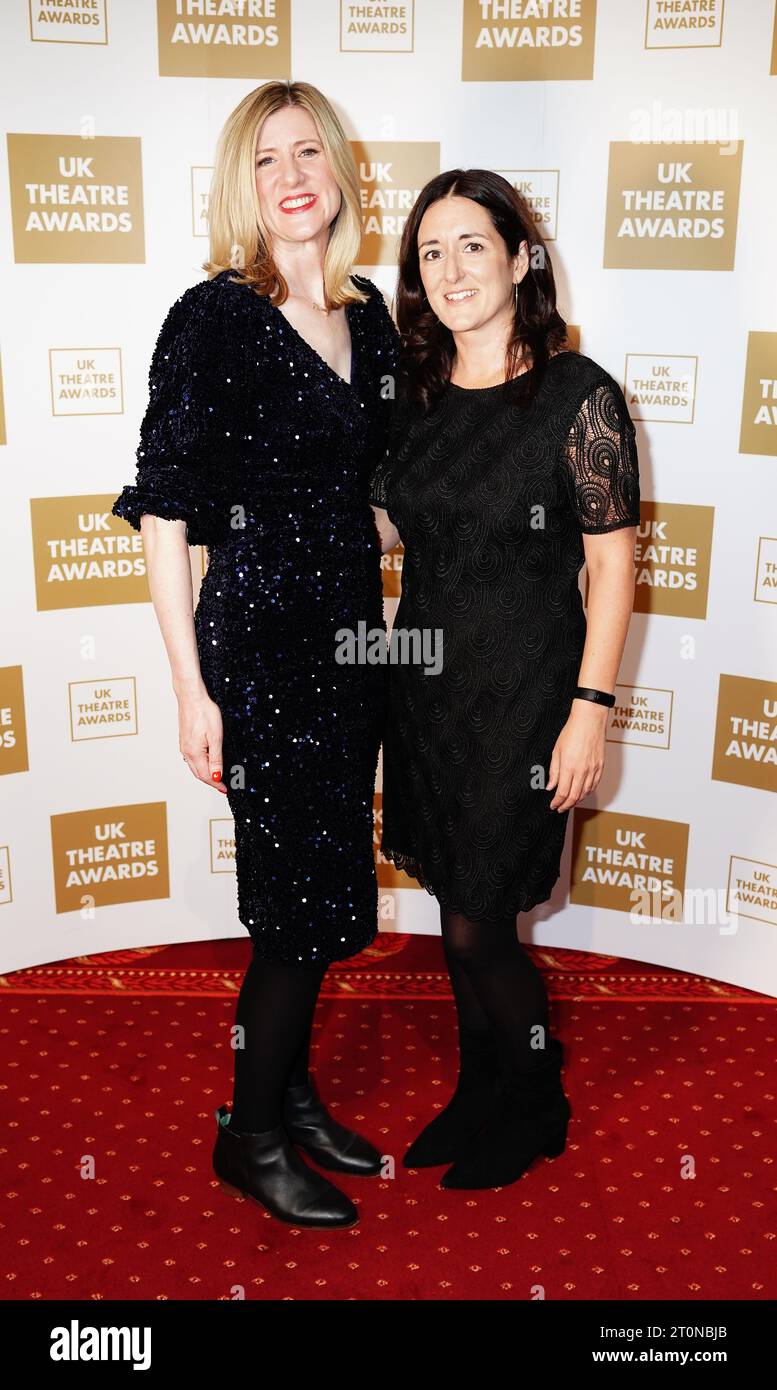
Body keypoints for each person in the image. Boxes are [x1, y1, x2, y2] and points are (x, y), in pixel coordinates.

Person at [112, 81, 400, 1228]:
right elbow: (168, 516)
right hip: (262, 649)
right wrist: (191, 690)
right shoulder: (212, 318)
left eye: (310, 151)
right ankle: (251, 1133)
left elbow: (377, 495)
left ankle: (293, 1087)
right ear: (245, 182)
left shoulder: (369, 315)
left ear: (337, 171)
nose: (292, 174)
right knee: (290, 907)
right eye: (268, 155)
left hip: (352, 640)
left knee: (328, 889)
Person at [369, 169, 641, 1190]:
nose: (449, 270)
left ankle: (537, 1095)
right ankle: (481, 1086)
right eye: (430, 253)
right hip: (428, 691)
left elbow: (612, 565)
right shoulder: (415, 399)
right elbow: (391, 524)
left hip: (529, 694)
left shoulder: (579, 397)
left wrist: (590, 713)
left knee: (485, 924)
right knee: (454, 909)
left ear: (522, 257)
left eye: (471, 245)